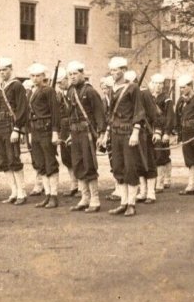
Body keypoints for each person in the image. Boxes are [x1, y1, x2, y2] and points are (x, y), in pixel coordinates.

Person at [98, 57, 145, 217]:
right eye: (111, 70)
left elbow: (139, 111)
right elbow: (110, 114)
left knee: (130, 167)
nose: (113, 73)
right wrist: (106, 134)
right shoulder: (112, 89)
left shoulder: (133, 88)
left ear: (124, 70)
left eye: (116, 70)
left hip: (128, 132)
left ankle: (131, 204)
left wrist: (136, 132)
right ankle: (123, 203)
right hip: (115, 132)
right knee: (118, 167)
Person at [66, 61, 107, 213]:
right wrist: (70, 134)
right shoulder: (70, 91)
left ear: (82, 74)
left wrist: (101, 134)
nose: (72, 77)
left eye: (75, 73)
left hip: (87, 133)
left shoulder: (90, 91)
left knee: (89, 164)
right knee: (78, 164)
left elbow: (99, 113)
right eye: (70, 74)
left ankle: (95, 200)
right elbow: (70, 114)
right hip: (75, 133)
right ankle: (84, 198)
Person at [0, 57, 29, 204]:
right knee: (3, 161)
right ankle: (14, 192)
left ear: (11, 69)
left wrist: (17, 129)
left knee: (14, 159)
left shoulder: (17, 86)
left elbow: (22, 108)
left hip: (10, 127)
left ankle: (22, 193)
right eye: (0, 70)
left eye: (4, 70)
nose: (2, 73)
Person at [26, 63, 61, 209]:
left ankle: (54, 196)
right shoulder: (30, 92)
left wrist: (55, 132)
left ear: (44, 76)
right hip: (35, 131)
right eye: (32, 76)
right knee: (41, 164)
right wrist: (29, 133)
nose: (35, 78)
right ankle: (47, 195)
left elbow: (55, 112)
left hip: (46, 130)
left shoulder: (48, 91)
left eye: (38, 76)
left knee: (50, 163)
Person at [127, 70, 159, 204]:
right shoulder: (127, 93)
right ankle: (143, 191)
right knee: (138, 162)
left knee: (149, 162)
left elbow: (154, 114)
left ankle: (151, 193)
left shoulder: (144, 93)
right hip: (132, 133)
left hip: (145, 132)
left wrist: (157, 131)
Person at [55, 67, 80, 197]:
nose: (59, 85)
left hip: (74, 126)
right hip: (63, 127)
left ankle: (82, 187)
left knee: (77, 157)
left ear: (67, 79)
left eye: (61, 82)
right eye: (57, 83)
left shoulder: (74, 91)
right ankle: (74, 184)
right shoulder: (60, 94)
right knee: (66, 158)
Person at [150, 74, 175, 193]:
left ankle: (162, 181)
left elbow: (170, 116)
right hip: (151, 130)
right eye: (156, 83)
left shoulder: (166, 98)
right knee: (153, 155)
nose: (158, 86)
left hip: (162, 130)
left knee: (162, 155)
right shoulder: (149, 97)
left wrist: (166, 132)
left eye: (160, 83)